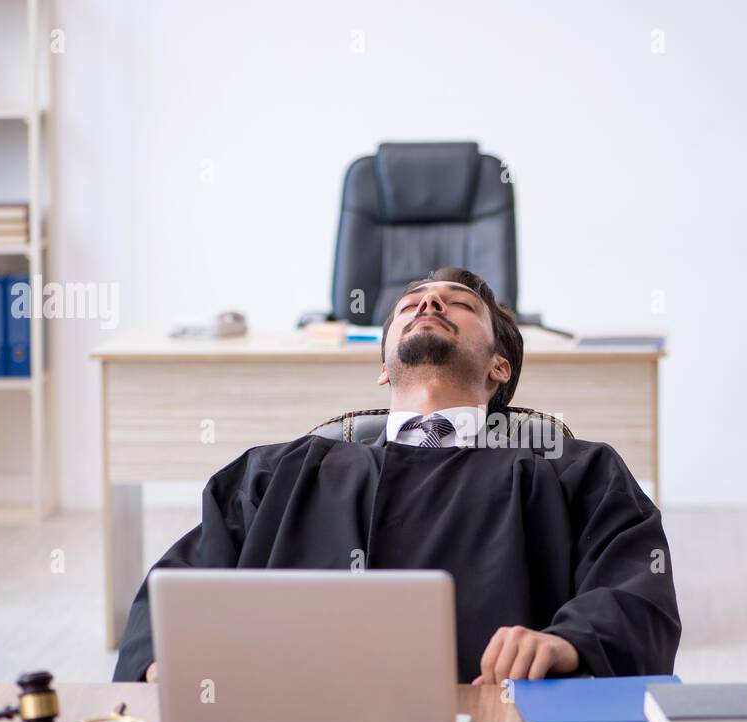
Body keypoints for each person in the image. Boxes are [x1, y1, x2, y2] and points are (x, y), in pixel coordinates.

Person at [113, 266, 680, 685]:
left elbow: (637, 594)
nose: (430, 301)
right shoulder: (273, 474)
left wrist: (565, 643)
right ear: (383, 367)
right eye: (412, 302)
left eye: (459, 304)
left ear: (499, 367)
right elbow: (171, 595)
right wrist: (162, 666)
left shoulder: (576, 472)